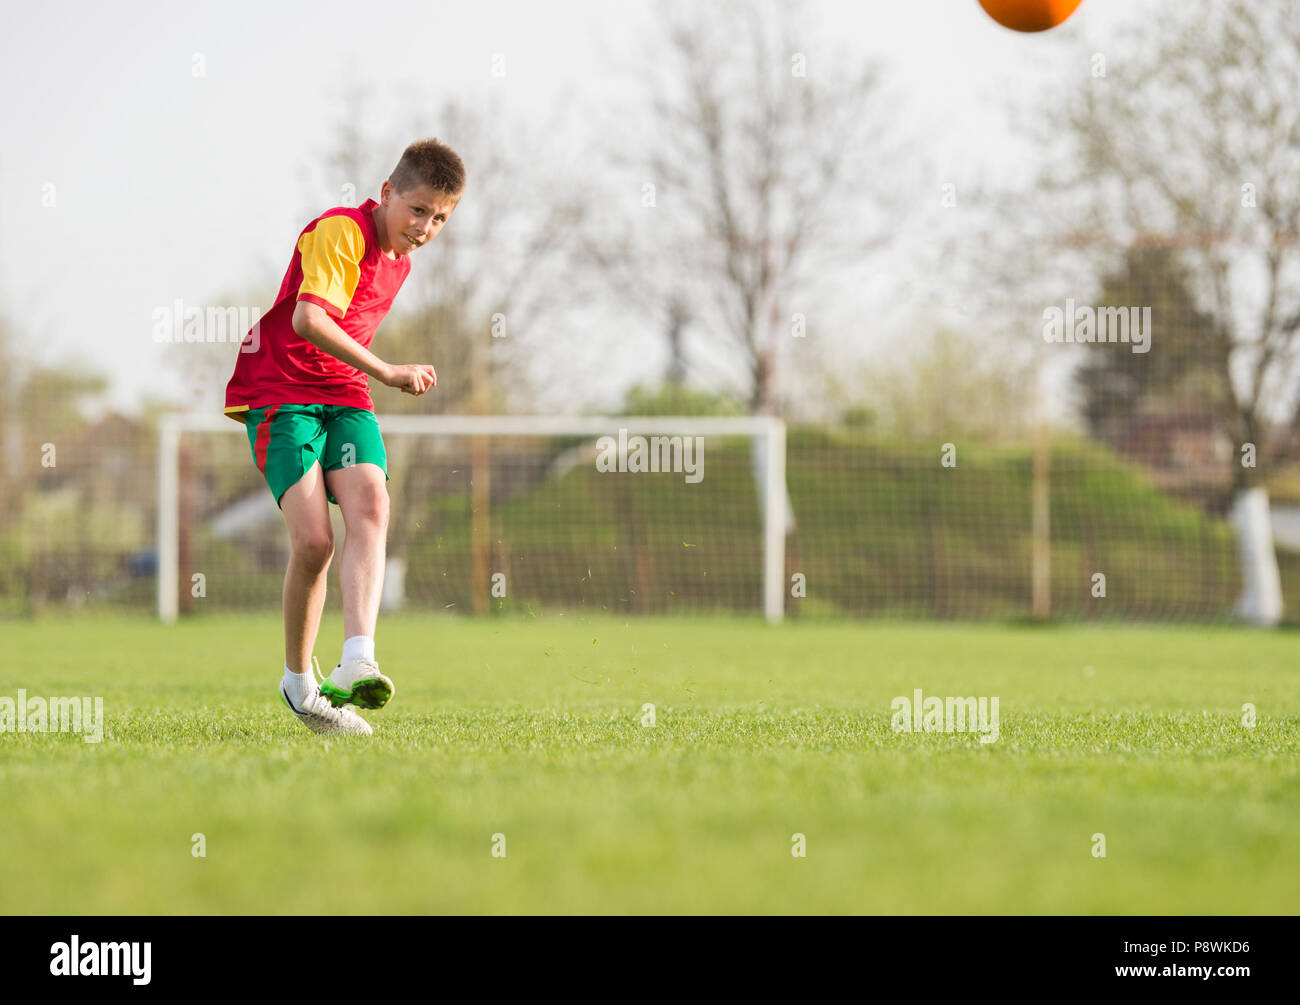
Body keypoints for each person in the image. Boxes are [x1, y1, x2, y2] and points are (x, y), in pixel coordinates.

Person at [222, 138, 466, 735]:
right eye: (417, 210)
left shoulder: (400, 263)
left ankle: (358, 656)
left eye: (440, 218)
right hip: (281, 392)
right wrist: (387, 371)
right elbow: (309, 320)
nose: (425, 227)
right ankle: (300, 685)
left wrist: (367, 377)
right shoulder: (340, 231)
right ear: (386, 194)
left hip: (344, 396)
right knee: (313, 544)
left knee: (373, 503)